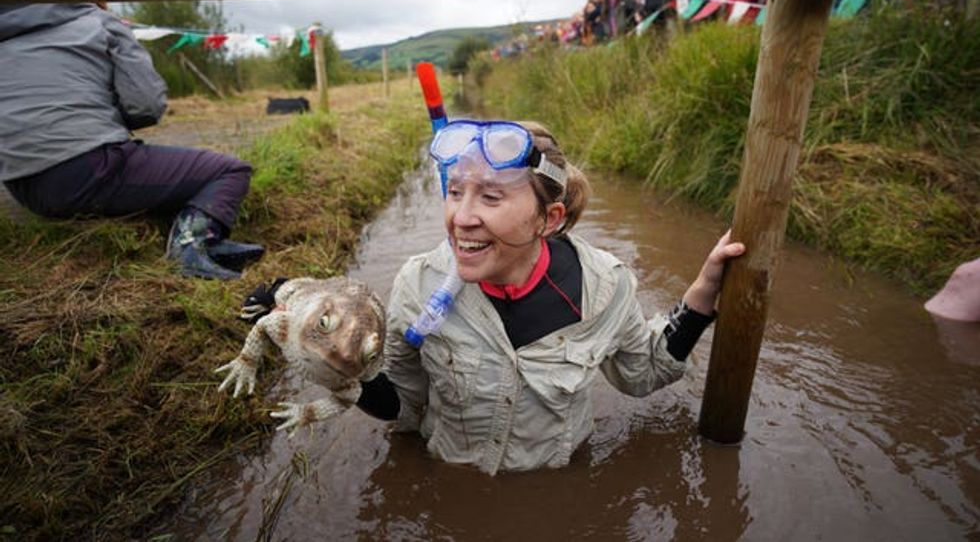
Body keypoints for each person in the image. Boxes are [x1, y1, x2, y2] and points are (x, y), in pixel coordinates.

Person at [242, 119, 745, 475]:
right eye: (456, 190)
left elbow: (646, 373)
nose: (461, 217)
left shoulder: (603, 286)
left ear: (547, 220)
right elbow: (404, 407)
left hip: (559, 484)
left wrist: (702, 293)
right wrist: (344, 368)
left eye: (491, 196)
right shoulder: (419, 285)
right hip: (453, 479)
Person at [0, 2, 263, 280]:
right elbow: (146, 103)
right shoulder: (99, 21)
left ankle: (212, 244)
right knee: (229, 171)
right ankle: (188, 249)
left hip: (23, 186)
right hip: (89, 167)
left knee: (158, 184)